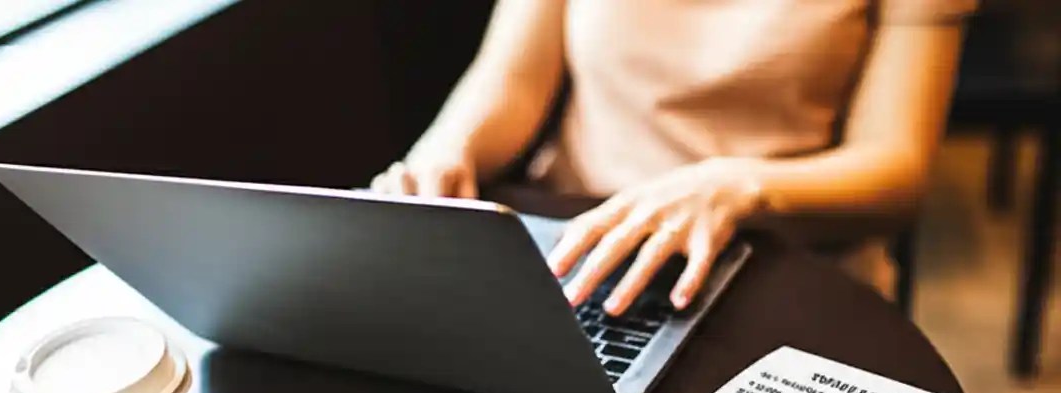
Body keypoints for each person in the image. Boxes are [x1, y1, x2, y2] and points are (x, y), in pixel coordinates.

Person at [371, 0, 974, 315]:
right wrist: (447, 150)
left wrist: (737, 187)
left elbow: (897, 166)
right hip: (577, 245)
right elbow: (513, 79)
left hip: (781, 259)